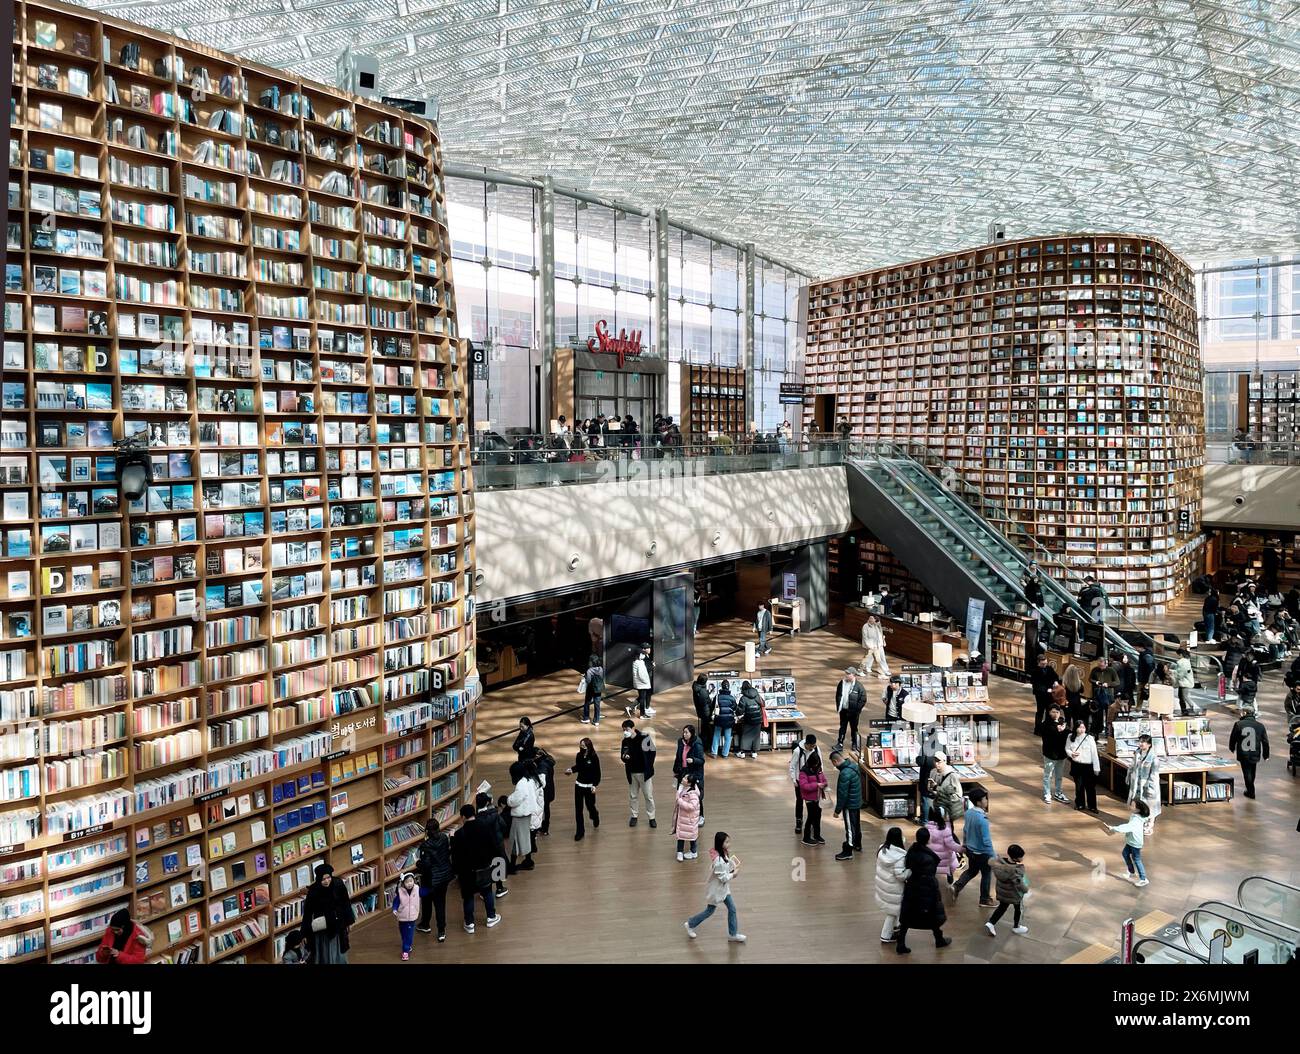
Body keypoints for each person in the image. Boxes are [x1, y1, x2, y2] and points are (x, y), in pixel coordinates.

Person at [895, 827, 952, 954]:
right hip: (926, 889)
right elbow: (930, 874)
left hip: (912, 887)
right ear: (927, 839)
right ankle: (939, 939)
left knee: (907, 916)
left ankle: (901, 942)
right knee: (932, 915)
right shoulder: (929, 858)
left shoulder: (911, 852)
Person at [684, 831, 745, 942]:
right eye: (727, 842)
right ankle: (690, 923)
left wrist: (731, 870)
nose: (729, 844)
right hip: (716, 891)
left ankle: (733, 934)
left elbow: (723, 873)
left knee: (732, 909)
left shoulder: (724, 853)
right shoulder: (719, 861)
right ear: (720, 843)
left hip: (723, 889)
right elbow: (723, 878)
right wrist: (733, 874)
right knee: (710, 911)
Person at [451, 803, 501, 933]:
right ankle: (491, 917)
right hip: (484, 867)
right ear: (474, 813)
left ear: (463, 817)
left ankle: (469, 923)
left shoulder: (459, 834)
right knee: (487, 892)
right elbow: (494, 845)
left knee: (468, 896)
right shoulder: (485, 827)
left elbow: (456, 855)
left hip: (467, 871)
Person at [301, 862, 355, 963]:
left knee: (337, 952)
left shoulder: (338, 884)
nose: (326, 881)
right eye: (323, 879)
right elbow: (308, 913)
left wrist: (349, 921)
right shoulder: (313, 891)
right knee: (323, 954)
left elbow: (346, 904)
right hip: (322, 928)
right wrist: (304, 933)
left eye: (328, 877)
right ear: (319, 879)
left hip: (337, 924)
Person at [951, 788, 995, 906]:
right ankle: (984, 899)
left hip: (970, 849)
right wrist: (993, 855)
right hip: (982, 853)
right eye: (985, 799)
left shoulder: (969, 813)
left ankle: (957, 886)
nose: (986, 801)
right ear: (979, 802)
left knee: (972, 871)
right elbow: (986, 840)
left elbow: (965, 830)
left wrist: (965, 845)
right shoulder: (983, 819)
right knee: (986, 873)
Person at [415, 818, 453, 939]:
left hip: (430, 879)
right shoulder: (444, 838)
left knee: (426, 902)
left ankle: (425, 924)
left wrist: (417, 863)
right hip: (444, 876)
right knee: (440, 904)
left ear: (427, 831)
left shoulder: (425, 846)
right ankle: (441, 931)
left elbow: (425, 866)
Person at [506, 757, 543, 870]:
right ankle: (528, 860)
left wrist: (508, 799)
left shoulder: (521, 784)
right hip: (528, 814)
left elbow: (515, 800)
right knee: (525, 839)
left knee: (514, 841)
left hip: (520, 815)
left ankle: (512, 865)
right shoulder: (529, 780)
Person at [874, 826, 909, 943]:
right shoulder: (900, 857)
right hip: (895, 890)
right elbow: (900, 875)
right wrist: (910, 871)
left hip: (884, 888)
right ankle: (886, 936)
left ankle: (896, 928)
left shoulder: (882, 850)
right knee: (892, 913)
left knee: (893, 912)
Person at [986, 844, 1029, 936]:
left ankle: (991, 923)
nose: (1022, 858)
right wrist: (1026, 890)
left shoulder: (999, 864)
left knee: (1002, 908)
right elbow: (1019, 885)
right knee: (1018, 909)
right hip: (1014, 894)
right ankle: (1016, 927)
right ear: (1017, 858)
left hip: (1002, 892)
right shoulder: (1015, 870)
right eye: (1021, 856)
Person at [1106, 799, 1151, 887]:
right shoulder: (1134, 815)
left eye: (1132, 805)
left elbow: (1127, 827)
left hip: (1135, 843)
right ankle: (1131, 871)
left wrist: (1113, 828)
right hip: (1131, 841)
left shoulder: (1136, 820)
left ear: (1138, 809)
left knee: (1137, 860)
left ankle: (1143, 879)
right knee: (1125, 854)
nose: (1130, 806)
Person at [1229, 706, 1271, 799]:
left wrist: (1232, 748)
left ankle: (1251, 791)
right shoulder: (1260, 726)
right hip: (1255, 752)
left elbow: (1233, 738)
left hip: (1243, 753)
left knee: (1246, 772)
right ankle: (1250, 788)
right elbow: (1265, 742)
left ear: (1244, 713)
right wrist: (1266, 755)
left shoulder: (1238, 724)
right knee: (1252, 771)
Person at [621, 719, 657, 828]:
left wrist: (648, 766)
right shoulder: (625, 741)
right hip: (632, 773)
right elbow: (622, 755)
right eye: (623, 730)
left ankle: (652, 817)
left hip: (644, 773)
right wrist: (624, 757)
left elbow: (652, 752)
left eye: (626, 729)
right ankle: (634, 816)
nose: (625, 732)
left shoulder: (644, 738)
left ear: (633, 728)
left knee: (648, 796)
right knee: (633, 796)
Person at [565, 736, 601, 840]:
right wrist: (571, 770)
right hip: (579, 785)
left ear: (588, 746)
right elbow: (578, 767)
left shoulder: (594, 757)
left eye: (584, 746)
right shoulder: (579, 755)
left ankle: (595, 815)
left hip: (589, 786)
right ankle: (580, 832)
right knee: (578, 810)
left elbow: (597, 773)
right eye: (581, 746)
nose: (582, 748)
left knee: (590, 806)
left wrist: (595, 785)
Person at [475, 792, 509, 897]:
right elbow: (504, 827)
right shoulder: (495, 815)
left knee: (486, 867)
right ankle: (499, 888)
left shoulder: (476, 819)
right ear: (487, 802)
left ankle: (484, 891)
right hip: (497, 844)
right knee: (498, 864)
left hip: (484, 847)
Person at [831, 749, 862, 860]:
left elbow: (842, 794)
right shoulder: (853, 766)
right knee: (856, 824)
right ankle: (857, 844)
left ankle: (848, 850)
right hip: (857, 801)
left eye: (833, 763)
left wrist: (837, 810)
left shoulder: (844, 773)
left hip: (849, 804)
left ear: (835, 761)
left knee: (849, 827)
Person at [672, 724, 706, 824]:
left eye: (686, 732)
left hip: (694, 773)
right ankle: (683, 815)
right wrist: (675, 770)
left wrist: (693, 760)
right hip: (682, 772)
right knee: (682, 793)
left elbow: (702, 761)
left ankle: (701, 816)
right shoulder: (681, 742)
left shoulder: (697, 744)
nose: (684, 734)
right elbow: (678, 757)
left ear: (692, 734)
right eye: (684, 732)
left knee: (696, 795)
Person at [1127, 733, 1161, 832]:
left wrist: (1150, 787)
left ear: (1149, 744)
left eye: (1143, 742)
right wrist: (1128, 776)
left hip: (1148, 786)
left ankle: (1150, 824)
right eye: (1140, 741)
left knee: (1150, 805)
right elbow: (1132, 766)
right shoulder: (1137, 753)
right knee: (1138, 804)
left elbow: (1154, 774)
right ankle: (1139, 822)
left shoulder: (1153, 757)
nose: (1141, 744)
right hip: (1137, 784)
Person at [789, 733, 821, 834]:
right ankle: (799, 821)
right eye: (811, 746)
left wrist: (820, 777)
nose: (812, 748)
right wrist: (794, 780)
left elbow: (820, 763)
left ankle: (811, 821)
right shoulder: (797, 751)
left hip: (812, 780)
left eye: (814, 746)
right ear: (806, 744)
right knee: (799, 801)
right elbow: (792, 766)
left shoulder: (816, 749)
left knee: (812, 801)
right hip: (800, 781)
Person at [1065, 718, 1100, 813]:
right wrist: (1071, 754)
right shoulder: (1070, 737)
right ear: (1075, 728)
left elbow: (1094, 754)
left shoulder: (1089, 738)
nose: (1082, 729)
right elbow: (1067, 748)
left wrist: (1096, 768)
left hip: (1088, 766)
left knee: (1090, 787)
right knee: (1079, 786)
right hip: (1077, 765)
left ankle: (1092, 806)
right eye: (1080, 727)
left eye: (1083, 727)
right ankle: (1080, 804)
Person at [929, 753, 966, 840]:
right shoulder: (933, 772)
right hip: (936, 807)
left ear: (945, 761)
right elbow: (931, 789)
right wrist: (932, 789)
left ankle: (955, 850)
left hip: (947, 809)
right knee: (937, 831)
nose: (936, 764)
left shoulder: (952, 775)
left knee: (949, 833)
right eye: (935, 761)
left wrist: (938, 789)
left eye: (939, 762)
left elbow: (958, 794)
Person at [1039, 703, 1071, 804]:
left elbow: (1068, 733)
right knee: (1048, 775)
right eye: (1053, 712)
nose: (1056, 714)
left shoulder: (1062, 722)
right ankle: (1047, 793)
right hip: (1050, 754)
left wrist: (1064, 729)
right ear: (1048, 712)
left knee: (1059, 775)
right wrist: (1059, 731)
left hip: (1061, 754)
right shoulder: (1045, 724)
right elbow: (1049, 736)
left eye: (1057, 712)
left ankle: (1058, 792)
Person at [797, 751, 828, 846]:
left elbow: (824, 779)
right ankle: (806, 837)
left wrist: (824, 784)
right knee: (811, 817)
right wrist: (817, 785)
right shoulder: (804, 772)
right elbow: (804, 786)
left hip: (818, 798)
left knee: (818, 817)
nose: (816, 765)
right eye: (815, 763)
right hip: (810, 799)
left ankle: (817, 835)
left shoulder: (818, 769)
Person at [925, 806, 962, 886]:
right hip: (945, 858)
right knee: (952, 862)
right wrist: (961, 849)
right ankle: (949, 874)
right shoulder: (945, 830)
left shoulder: (927, 828)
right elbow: (951, 844)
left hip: (932, 857)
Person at [834, 667, 866, 750]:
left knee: (854, 728)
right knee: (842, 727)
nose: (846, 675)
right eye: (846, 673)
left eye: (848, 674)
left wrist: (857, 710)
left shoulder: (859, 686)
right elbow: (838, 695)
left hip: (854, 712)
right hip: (844, 710)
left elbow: (863, 699)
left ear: (854, 675)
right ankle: (840, 743)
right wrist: (839, 706)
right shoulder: (842, 683)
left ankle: (854, 744)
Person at [391, 871, 421, 960]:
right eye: (407, 882)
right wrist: (395, 909)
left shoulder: (417, 889)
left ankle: (405, 951)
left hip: (412, 917)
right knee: (403, 933)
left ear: (414, 881)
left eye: (411, 881)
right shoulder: (400, 891)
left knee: (409, 935)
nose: (409, 883)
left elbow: (424, 892)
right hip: (402, 917)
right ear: (403, 883)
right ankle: (407, 945)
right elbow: (396, 901)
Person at [673, 773, 702, 861]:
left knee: (691, 836)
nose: (683, 778)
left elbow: (692, 807)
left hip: (689, 820)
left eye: (685, 778)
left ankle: (693, 852)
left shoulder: (693, 795)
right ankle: (680, 852)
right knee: (682, 835)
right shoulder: (684, 788)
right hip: (683, 819)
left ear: (689, 783)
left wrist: (679, 801)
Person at [1088, 656, 1119, 738]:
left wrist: (1108, 684)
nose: (1100, 667)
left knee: (1109, 715)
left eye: (1102, 666)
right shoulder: (1095, 670)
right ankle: (1098, 731)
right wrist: (1096, 682)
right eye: (1099, 665)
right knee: (1098, 715)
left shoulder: (1111, 670)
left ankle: (1108, 732)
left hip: (1108, 696)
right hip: (1098, 695)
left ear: (1106, 664)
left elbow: (1117, 682)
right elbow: (1090, 679)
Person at [735, 679, 765, 759]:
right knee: (756, 735)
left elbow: (740, 711)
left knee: (745, 735)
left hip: (748, 719)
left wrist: (736, 713)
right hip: (758, 719)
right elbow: (763, 703)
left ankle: (742, 752)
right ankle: (754, 752)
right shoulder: (757, 695)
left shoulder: (743, 698)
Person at [1031, 653, 1060, 732]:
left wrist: (1056, 682)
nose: (1045, 665)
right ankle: (1037, 729)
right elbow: (1036, 684)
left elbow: (1055, 676)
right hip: (1040, 695)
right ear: (1038, 663)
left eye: (1046, 663)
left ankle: (1047, 727)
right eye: (1043, 664)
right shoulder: (1035, 671)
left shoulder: (1049, 668)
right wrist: (1045, 690)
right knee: (1040, 711)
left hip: (1050, 695)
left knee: (1049, 711)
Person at [534, 746, 557, 836]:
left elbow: (542, 780)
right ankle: (545, 828)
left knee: (541, 809)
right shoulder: (548, 761)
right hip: (550, 789)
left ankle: (542, 828)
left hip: (545, 791)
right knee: (546, 809)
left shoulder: (542, 765)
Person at [710, 679, 736, 758]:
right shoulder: (732, 698)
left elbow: (712, 707)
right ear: (728, 687)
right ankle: (725, 754)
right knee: (728, 737)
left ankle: (714, 753)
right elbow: (735, 708)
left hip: (719, 719)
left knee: (716, 735)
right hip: (728, 719)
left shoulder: (717, 696)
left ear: (721, 686)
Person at [629, 643, 655, 718]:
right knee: (642, 698)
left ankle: (631, 707)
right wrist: (647, 682)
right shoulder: (639, 663)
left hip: (641, 683)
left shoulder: (637, 662)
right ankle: (642, 714)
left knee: (641, 697)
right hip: (642, 683)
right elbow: (641, 675)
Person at [1062, 664, 1088, 730]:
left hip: (1067, 703)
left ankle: (1067, 734)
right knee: (1076, 720)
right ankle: (1075, 734)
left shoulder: (1064, 682)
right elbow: (1082, 691)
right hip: (1077, 703)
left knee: (1067, 720)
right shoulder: (1080, 683)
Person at [581, 653, 604, 725]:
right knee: (597, 704)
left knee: (587, 703)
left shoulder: (589, 671)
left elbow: (588, 681)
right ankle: (596, 720)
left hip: (591, 689)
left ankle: (586, 718)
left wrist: (585, 676)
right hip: (598, 689)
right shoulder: (601, 669)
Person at [692, 672, 714, 748]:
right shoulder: (702, 692)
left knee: (704, 727)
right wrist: (710, 701)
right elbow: (705, 702)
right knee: (707, 728)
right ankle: (706, 744)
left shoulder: (696, 686)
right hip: (705, 711)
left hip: (700, 710)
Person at [1172, 648, 1196, 716]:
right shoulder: (1186, 661)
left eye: (1178, 655)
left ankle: (1190, 709)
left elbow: (1180, 673)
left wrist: (1173, 673)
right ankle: (1185, 710)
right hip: (1185, 682)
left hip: (1184, 682)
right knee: (1182, 697)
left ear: (1181, 654)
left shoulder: (1182, 662)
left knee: (1184, 697)